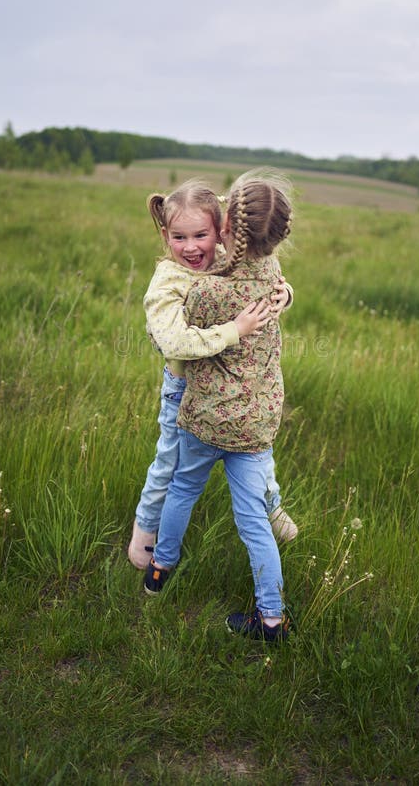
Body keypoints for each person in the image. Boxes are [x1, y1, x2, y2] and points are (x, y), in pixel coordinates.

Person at [144, 168, 294, 643]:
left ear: (228, 227)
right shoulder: (273, 278)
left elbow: (175, 335)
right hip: (255, 425)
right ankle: (272, 619)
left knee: (183, 489)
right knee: (254, 523)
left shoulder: (208, 292)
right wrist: (287, 294)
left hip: (206, 419)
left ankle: (159, 571)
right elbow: (269, 283)